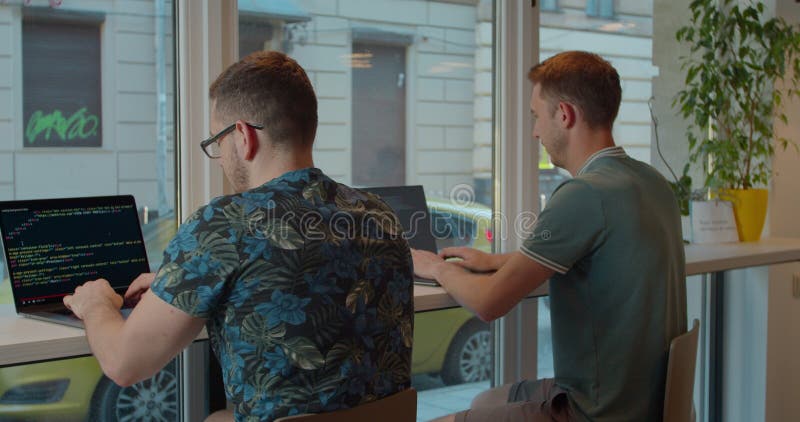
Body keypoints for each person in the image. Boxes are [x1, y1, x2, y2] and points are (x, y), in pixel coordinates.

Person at [63, 51, 414, 422]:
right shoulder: (378, 213)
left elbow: (123, 364)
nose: (220, 153)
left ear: (243, 136)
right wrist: (182, 284)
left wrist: (96, 304)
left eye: (218, 139)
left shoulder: (225, 223)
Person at [412, 51, 687, 421]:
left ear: (565, 115)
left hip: (596, 410)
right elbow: (594, 250)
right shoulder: (652, 183)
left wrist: (437, 268)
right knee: (483, 403)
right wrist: (495, 261)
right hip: (645, 403)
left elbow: (489, 304)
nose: (535, 132)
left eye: (537, 116)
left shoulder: (584, 194)